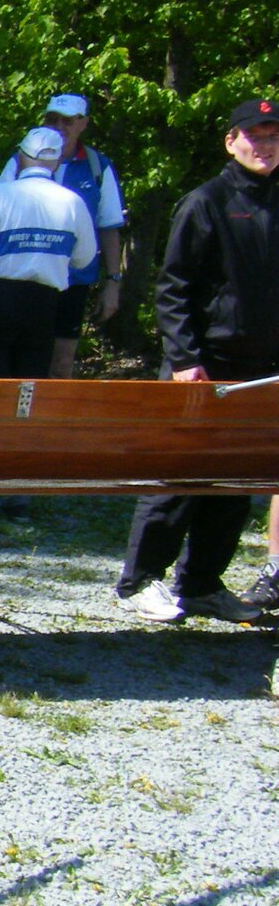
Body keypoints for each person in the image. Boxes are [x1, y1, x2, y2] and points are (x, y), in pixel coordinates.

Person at [112, 96, 279, 625]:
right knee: (176, 475)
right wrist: (185, 357)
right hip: (203, 365)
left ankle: (203, 583)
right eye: (254, 136)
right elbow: (173, 287)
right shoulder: (205, 202)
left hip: (262, 369)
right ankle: (140, 581)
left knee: (234, 483)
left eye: (273, 136)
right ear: (232, 141)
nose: (265, 145)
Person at [0, 126, 96, 522]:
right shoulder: (72, 201)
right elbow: (85, 256)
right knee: (28, 397)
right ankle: (18, 495)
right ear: (56, 161)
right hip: (45, 304)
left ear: (21, 157)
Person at [0, 94, 124, 378]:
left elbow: (109, 226)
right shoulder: (19, 161)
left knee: (62, 362)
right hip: (22, 278)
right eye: (52, 119)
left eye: (67, 121)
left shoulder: (97, 167)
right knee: (18, 359)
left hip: (73, 281)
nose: (59, 127)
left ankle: (50, 421)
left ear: (83, 124)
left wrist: (113, 282)